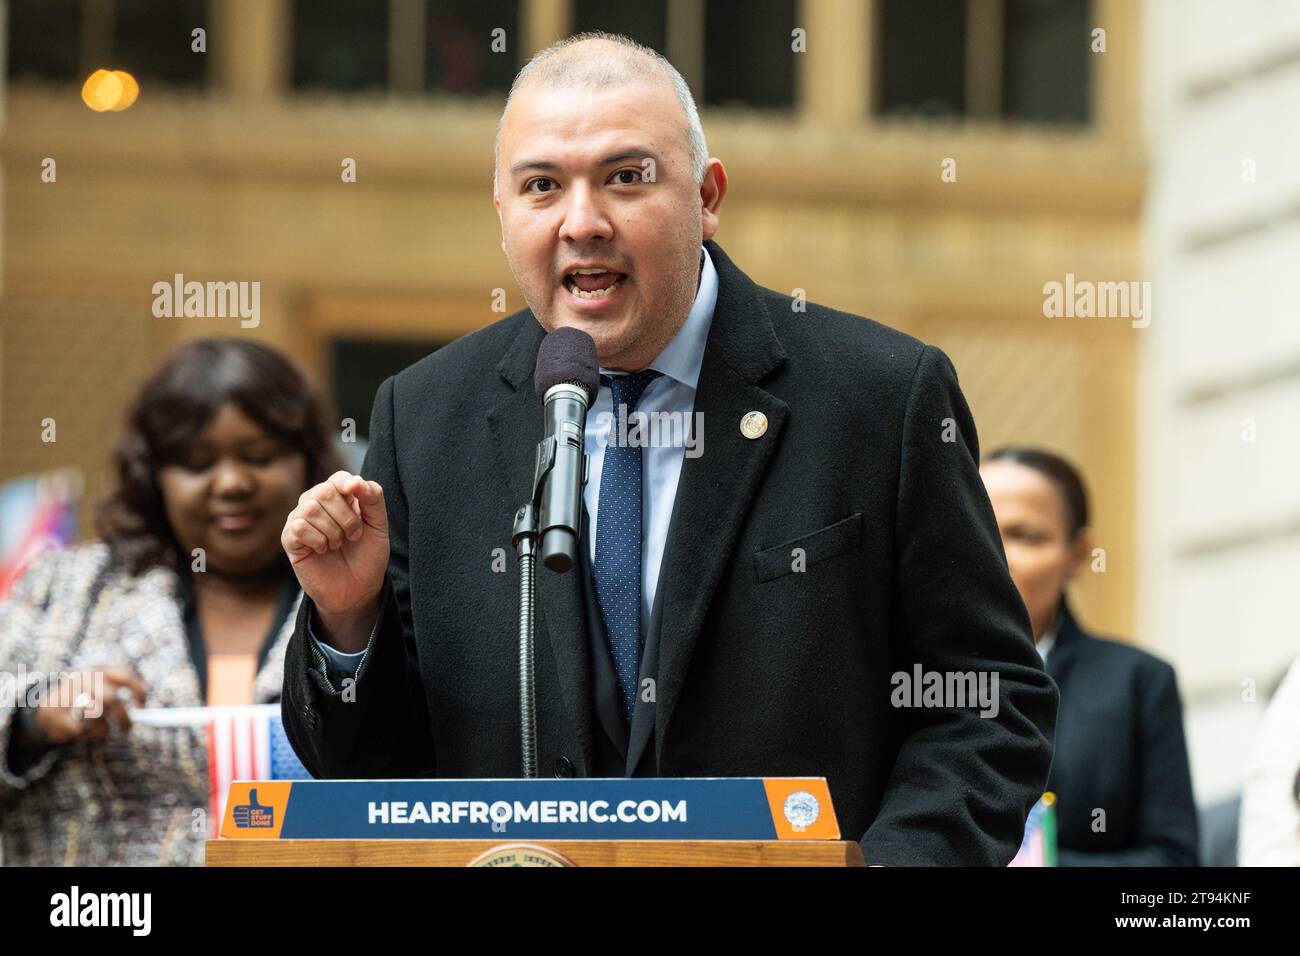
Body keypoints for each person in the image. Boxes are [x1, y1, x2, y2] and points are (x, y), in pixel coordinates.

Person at [280, 32, 1057, 866]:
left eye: (626, 177)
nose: (583, 223)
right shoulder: (426, 415)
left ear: (707, 195)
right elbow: (372, 768)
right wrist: (347, 624)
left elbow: (988, 703)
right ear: (503, 214)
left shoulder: (880, 396)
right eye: (542, 186)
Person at [0, 338, 340, 865]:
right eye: (197, 463)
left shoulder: (356, 597)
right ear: (153, 475)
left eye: (258, 456)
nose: (231, 483)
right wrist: (33, 718)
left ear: (307, 461)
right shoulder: (65, 586)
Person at [981, 447, 1199, 865]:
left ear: (1078, 555)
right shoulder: (906, 676)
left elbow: (1173, 858)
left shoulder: (1137, 681)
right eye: (977, 529)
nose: (994, 555)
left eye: (1023, 535)